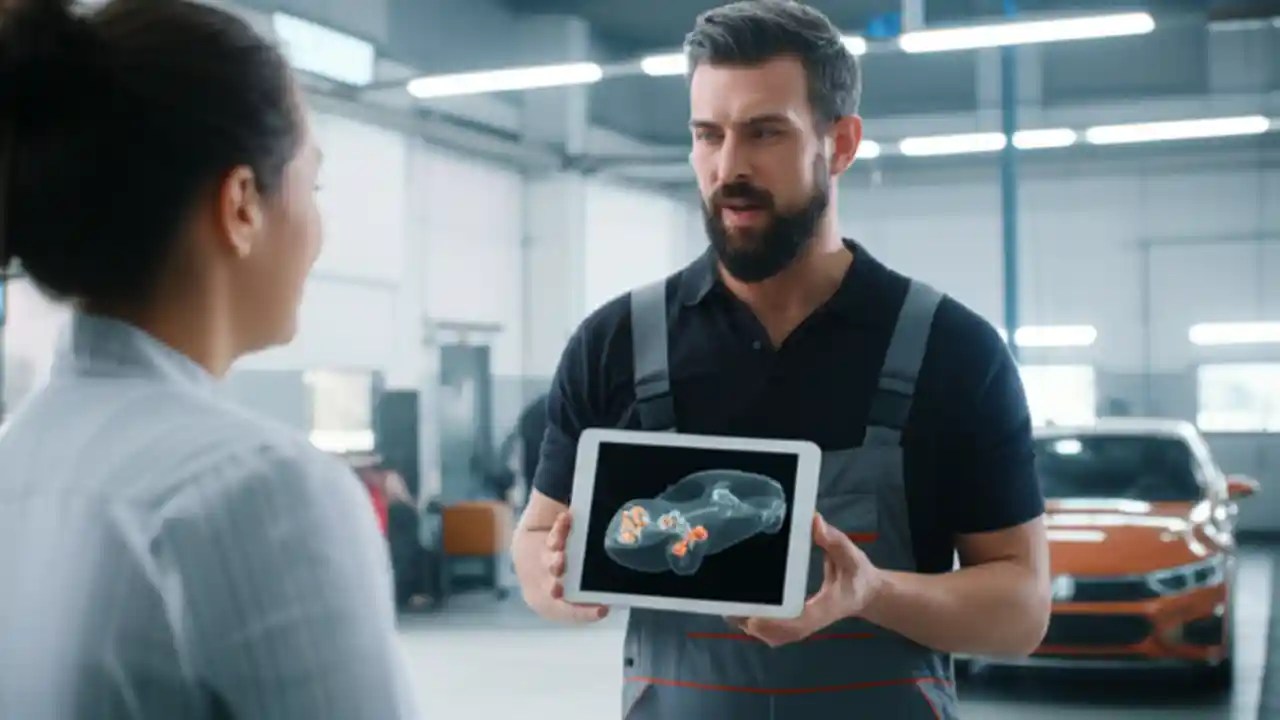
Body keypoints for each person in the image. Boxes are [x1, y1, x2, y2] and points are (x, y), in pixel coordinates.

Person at [511, 2, 1051, 718]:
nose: (729, 167)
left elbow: (1020, 609)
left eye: (765, 133)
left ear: (842, 143)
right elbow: (536, 537)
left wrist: (873, 593)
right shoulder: (614, 344)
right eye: (709, 135)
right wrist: (557, 580)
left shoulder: (952, 352)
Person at [0, 1, 419, 718]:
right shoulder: (263, 491)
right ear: (241, 206)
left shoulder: (21, 459)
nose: (318, 233)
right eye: (310, 186)